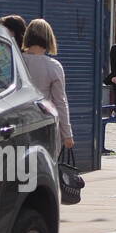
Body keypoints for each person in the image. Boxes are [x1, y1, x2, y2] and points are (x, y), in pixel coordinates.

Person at [21, 19, 74, 156]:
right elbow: (60, 102)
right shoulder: (53, 67)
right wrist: (67, 134)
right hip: (45, 128)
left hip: (20, 125)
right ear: (49, 39)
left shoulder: (16, 61)